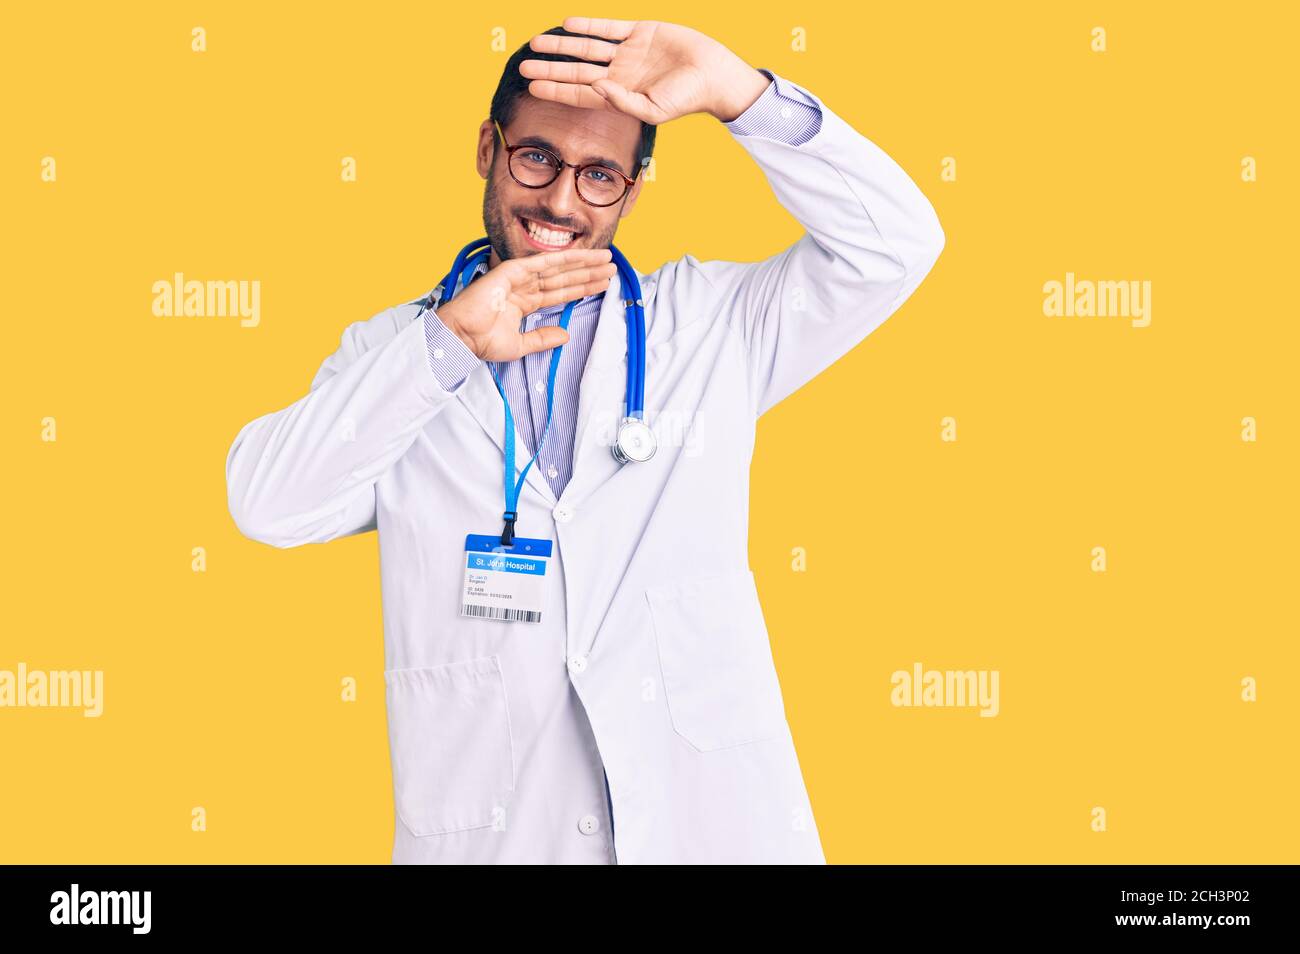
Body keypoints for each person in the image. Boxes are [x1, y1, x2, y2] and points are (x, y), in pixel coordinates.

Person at [225, 16, 944, 864]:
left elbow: (896, 246)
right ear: (489, 149)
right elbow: (265, 503)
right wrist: (446, 345)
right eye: (538, 158)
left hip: (710, 833)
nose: (562, 202)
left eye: (599, 175)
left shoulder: (710, 329)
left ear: (634, 191)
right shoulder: (397, 360)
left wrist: (736, 93)